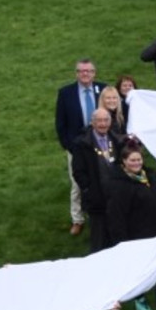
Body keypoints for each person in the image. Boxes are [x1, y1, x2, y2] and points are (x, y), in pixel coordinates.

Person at [55, 58, 103, 236]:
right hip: (77, 148)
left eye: (89, 71)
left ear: (94, 73)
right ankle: (78, 219)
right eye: (81, 71)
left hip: (102, 144)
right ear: (76, 73)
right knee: (77, 184)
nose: (85, 74)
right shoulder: (66, 93)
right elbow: (60, 124)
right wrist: (69, 147)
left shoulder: (103, 89)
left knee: (102, 179)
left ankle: (99, 214)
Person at [70, 108, 119, 253]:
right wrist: (89, 189)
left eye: (106, 120)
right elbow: (78, 171)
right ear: (92, 122)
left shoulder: (116, 139)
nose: (102, 124)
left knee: (116, 234)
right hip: (96, 199)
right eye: (99, 120)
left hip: (115, 195)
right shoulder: (81, 143)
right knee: (98, 239)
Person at [104, 140, 156, 248]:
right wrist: (122, 245)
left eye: (139, 159)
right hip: (138, 238)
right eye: (132, 160)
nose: (136, 163)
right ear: (124, 161)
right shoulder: (119, 185)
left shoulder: (148, 176)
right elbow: (116, 217)